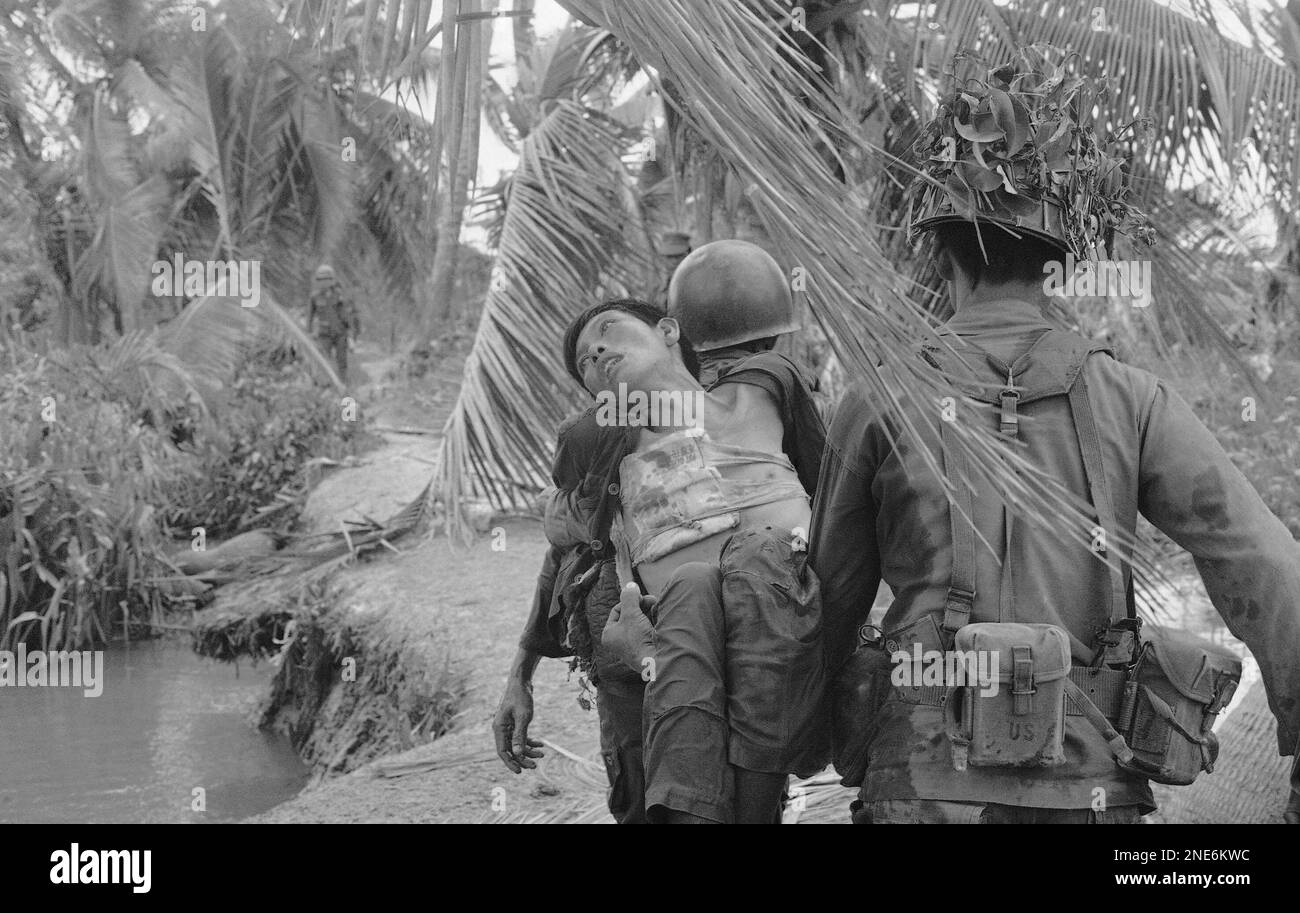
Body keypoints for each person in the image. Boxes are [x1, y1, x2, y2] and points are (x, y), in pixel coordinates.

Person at [810, 50, 1300, 824]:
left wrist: (794, 748)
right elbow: (1263, 560)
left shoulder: (878, 399)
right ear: (1059, 265)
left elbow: (828, 602)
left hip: (925, 786)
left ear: (942, 251)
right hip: (1092, 786)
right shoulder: (1134, 398)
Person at [494, 241, 822, 824]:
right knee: (661, 798)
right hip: (651, 648)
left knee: (756, 791)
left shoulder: (766, 388)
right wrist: (519, 676)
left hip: (768, 630)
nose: (594, 351)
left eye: (609, 331)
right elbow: (565, 550)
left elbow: (835, 500)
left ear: (670, 331)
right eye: (584, 363)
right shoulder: (597, 440)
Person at [308, 264, 360, 380]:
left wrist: (351, 338)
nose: (323, 282)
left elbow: (348, 318)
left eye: (326, 279)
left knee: (342, 361)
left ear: (332, 280)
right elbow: (310, 318)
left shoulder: (340, 296)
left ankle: (343, 383)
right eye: (320, 280)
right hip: (324, 335)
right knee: (324, 361)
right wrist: (310, 334)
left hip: (340, 334)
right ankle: (325, 384)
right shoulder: (314, 297)